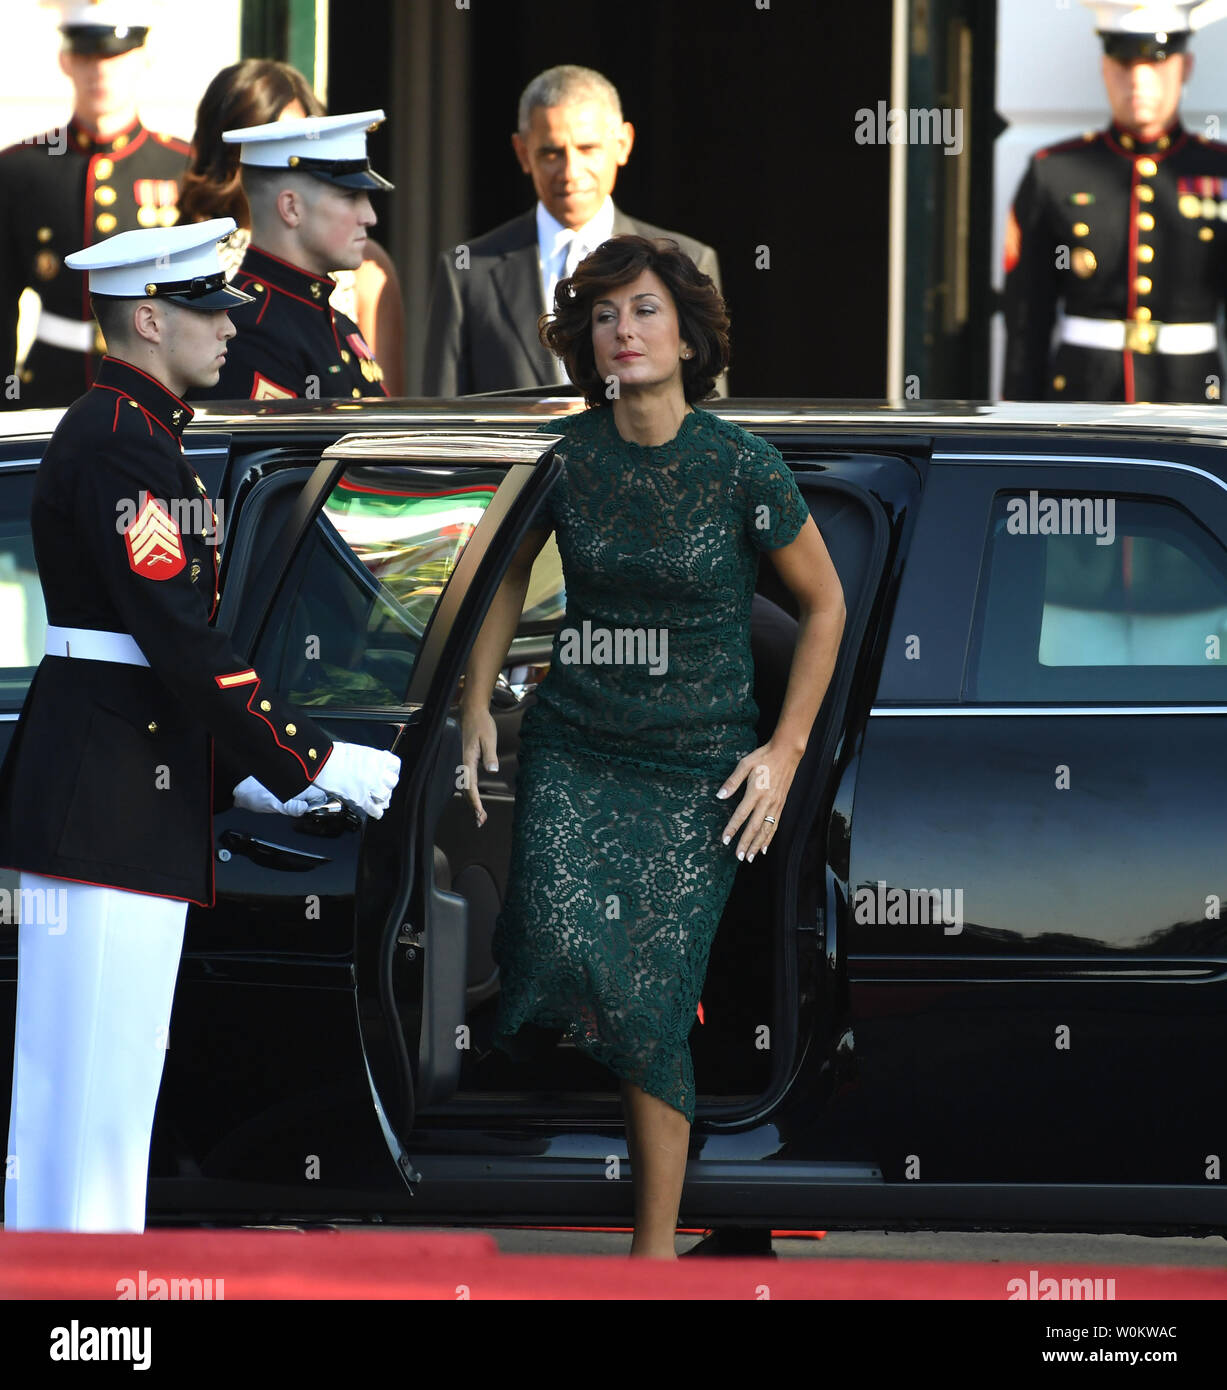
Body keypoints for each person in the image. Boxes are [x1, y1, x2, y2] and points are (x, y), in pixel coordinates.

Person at [0, 219, 401, 1232]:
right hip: (107, 800)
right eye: (207, 312)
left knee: (107, 1089)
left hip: (123, 786)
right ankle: (69, 1293)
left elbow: (163, 655)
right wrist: (308, 758)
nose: (229, 329)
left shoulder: (138, 432)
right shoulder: (119, 440)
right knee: (87, 1090)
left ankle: (79, 1277)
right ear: (147, 318)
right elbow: (180, 644)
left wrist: (244, 775)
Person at [459, 235, 846, 1257]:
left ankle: (654, 1250)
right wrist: (473, 703)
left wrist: (783, 752)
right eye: (603, 316)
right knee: (555, 945)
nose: (622, 331)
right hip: (575, 747)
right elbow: (504, 575)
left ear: (686, 338)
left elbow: (824, 604)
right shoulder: (565, 458)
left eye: (643, 312)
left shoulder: (740, 464)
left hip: (696, 766)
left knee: (648, 992)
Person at [423, 65, 726, 397]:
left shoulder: (687, 260)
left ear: (622, 143)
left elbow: (709, 403)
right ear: (523, 153)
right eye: (551, 153)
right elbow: (442, 415)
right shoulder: (466, 272)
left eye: (587, 149)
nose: (570, 172)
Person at [1003, 0, 1227, 403]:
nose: (1138, 80)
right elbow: (1026, 320)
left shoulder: (1220, 171)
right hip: (1082, 400)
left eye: (1156, 62)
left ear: (1185, 67)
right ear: (1104, 68)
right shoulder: (1055, 171)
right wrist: (1021, 423)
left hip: (1193, 400)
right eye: (1123, 64)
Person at [0, 1, 191, 410]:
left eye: (115, 55)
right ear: (65, 60)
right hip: (50, 394)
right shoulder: (19, 170)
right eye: (87, 56)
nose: (100, 71)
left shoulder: (184, 167)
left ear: (145, 58)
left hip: (157, 392)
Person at [179, 60, 406, 395]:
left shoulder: (337, 324)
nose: (370, 217)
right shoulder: (245, 331)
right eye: (349, 197)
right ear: (291, 207)